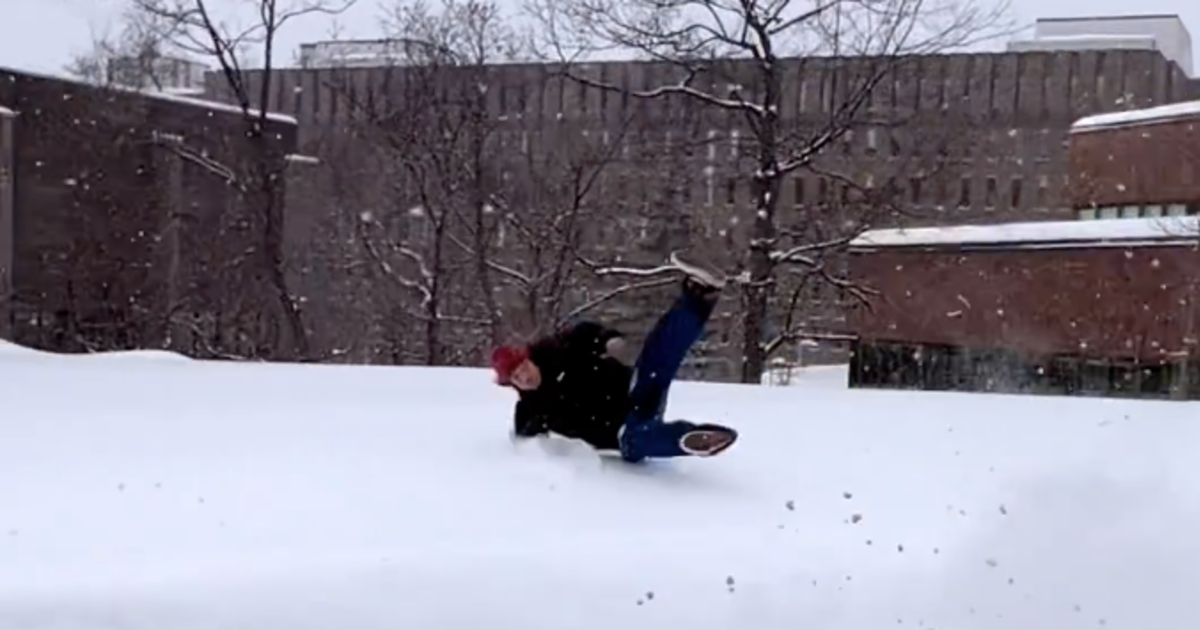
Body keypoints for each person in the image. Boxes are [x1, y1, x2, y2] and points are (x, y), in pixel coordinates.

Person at [490, 251, 738, 462]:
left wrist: (608, 340)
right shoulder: (531, 410)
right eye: (516, 378)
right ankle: (693, 439)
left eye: (522, 368)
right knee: (636, 440)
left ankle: (700, 293)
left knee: (658, 356)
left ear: (529, 358)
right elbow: (522, 444)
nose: (524, 377)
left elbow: (586, 332)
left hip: (634, 391)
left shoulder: (560, 350)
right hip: (622, 432)